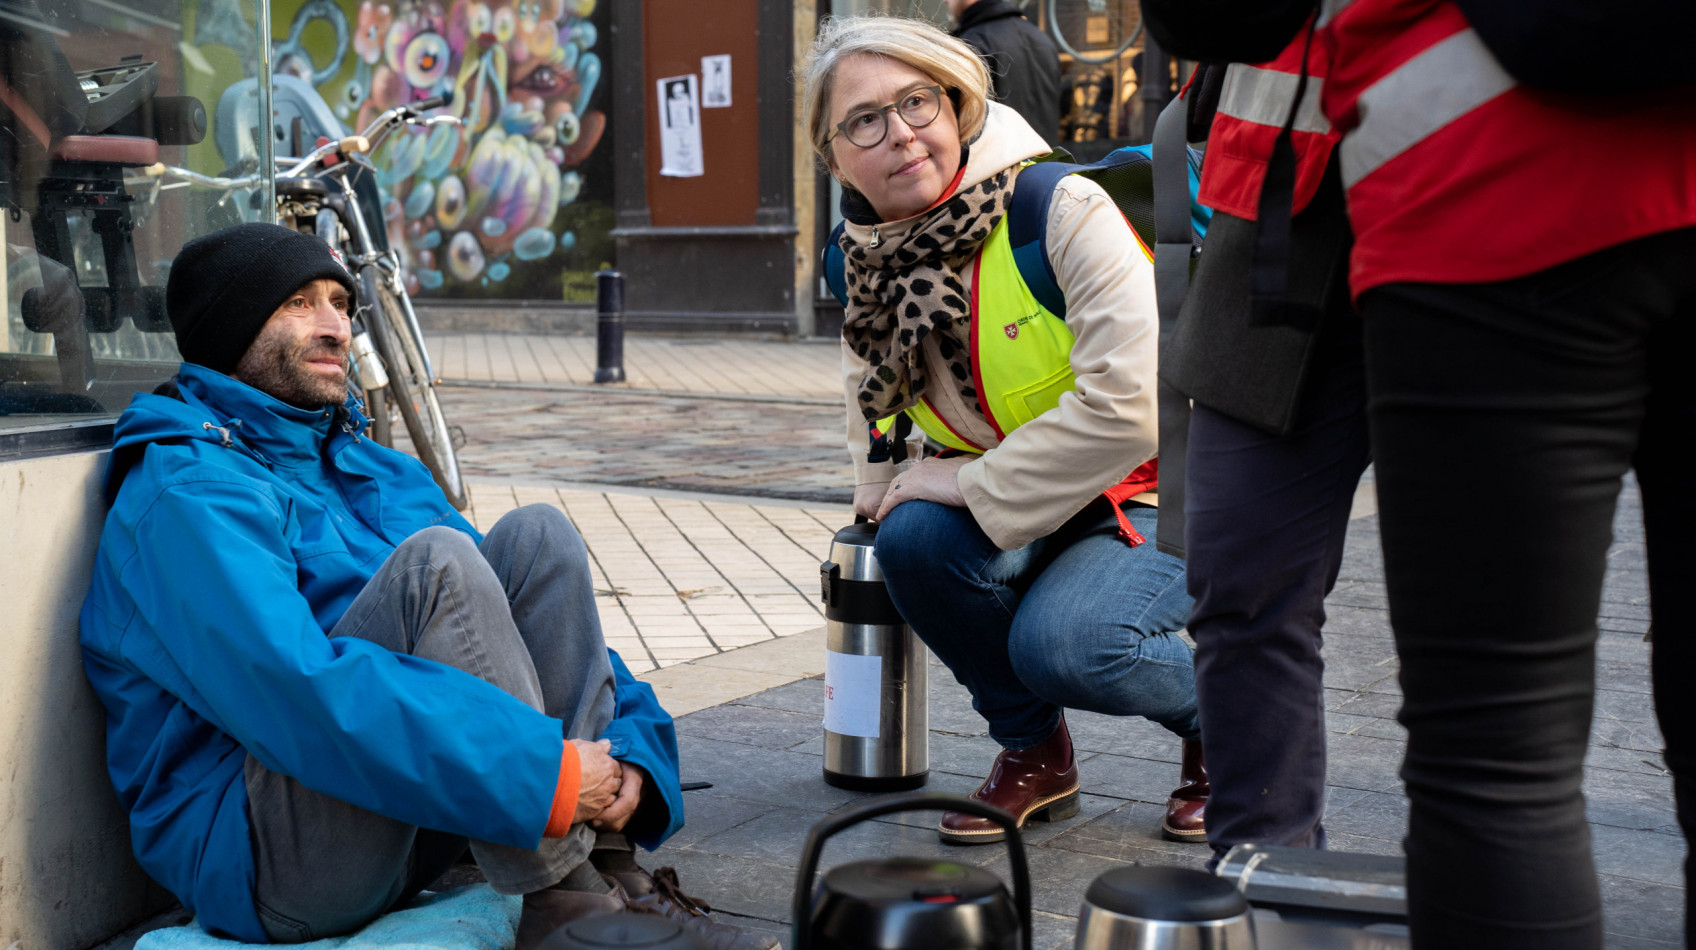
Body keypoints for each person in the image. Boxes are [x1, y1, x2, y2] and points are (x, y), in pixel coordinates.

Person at [1143, 0, 1696, 945]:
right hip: (1301, 213)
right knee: (1242, 577)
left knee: (1496, 750)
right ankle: (1263, 886)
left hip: (1476, 174)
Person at [78, 223, 776, 950]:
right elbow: (295, 695)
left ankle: (608, 874)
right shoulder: (187, 491)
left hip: (403, 816)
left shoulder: (360, 463)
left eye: (342, 303)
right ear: (229, 327)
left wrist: (634, 751)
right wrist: (545, 776)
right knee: (437, 564)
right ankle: (566, 904)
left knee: (539, 537)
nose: (336, 327)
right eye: (298, 303)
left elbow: (501, 630)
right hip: (269, 860)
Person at [800, 15, 1207, 845]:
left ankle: (1229, 719)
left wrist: (965, 481)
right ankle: (1034, 754)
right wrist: (877, 492)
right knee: (908, 542)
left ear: (957, 108)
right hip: (1030, 497)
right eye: (865, 121)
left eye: (917, 103)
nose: (901, 135)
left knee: (1069, 647)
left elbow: (1132, 406)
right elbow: (866, 383)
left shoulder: (1055, 209)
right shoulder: (859, 255)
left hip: (1159, 489)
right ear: (834, 153)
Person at [1134, 28, 1367, 867]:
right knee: (1238, 588)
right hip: (1273, 220)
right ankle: (1260, 879)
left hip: (1481, 215)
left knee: (1485, 624)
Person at [946, 0, 1062, 144]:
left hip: (1000, 162)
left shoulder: (970, 45)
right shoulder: (1042, 39)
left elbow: (969, 127)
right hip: (1044, 160)